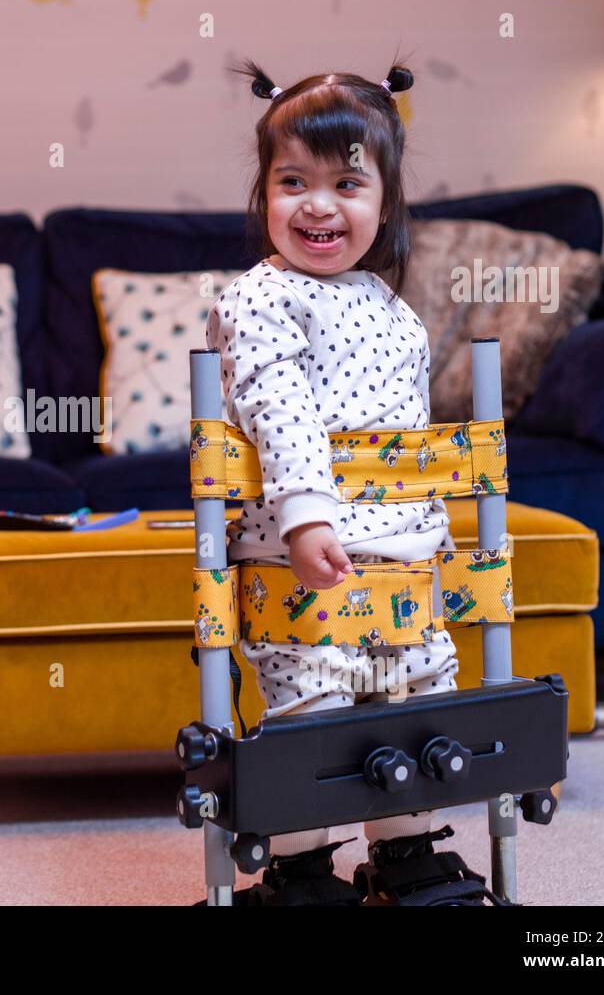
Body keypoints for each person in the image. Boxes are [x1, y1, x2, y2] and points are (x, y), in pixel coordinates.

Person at [204, 60, 496, 905]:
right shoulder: (261, 299)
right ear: (264, 192)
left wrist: (434, 532)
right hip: (309, 563)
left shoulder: (390, 305)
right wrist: (303, 514)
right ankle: (298, 867)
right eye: (292, 181)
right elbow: (277, 404)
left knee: (411, 707)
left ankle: (408, 855)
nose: (318, 205)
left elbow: (405, 434)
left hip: (403, 569)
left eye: (346, 183)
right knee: (314, 715)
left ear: (385, 200)